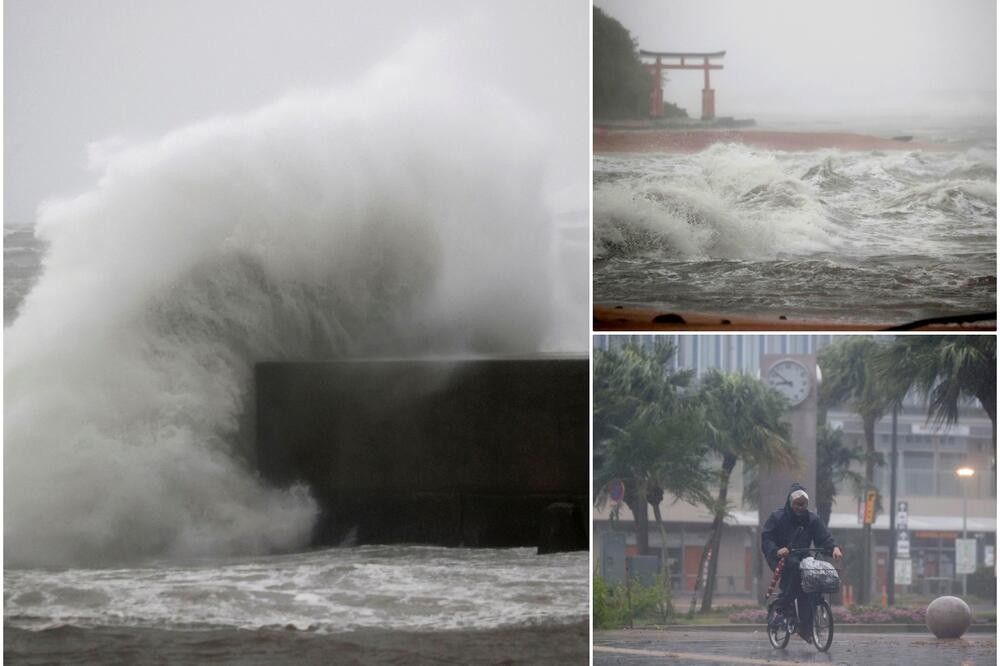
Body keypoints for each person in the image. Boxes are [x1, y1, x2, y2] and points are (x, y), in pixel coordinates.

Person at [761, 483, 843, 643]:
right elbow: (767, 538)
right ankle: (782, 607)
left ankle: (806, 627)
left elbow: (824, 537)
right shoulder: (777, 517)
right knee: (794, 571)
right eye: (797, 504)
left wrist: (833, 548)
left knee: (812, 582)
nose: (800, 507)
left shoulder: (812, 519)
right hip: (780, 557)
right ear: (790, 503)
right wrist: (777, 550)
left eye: (803, 504)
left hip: (804, 557)